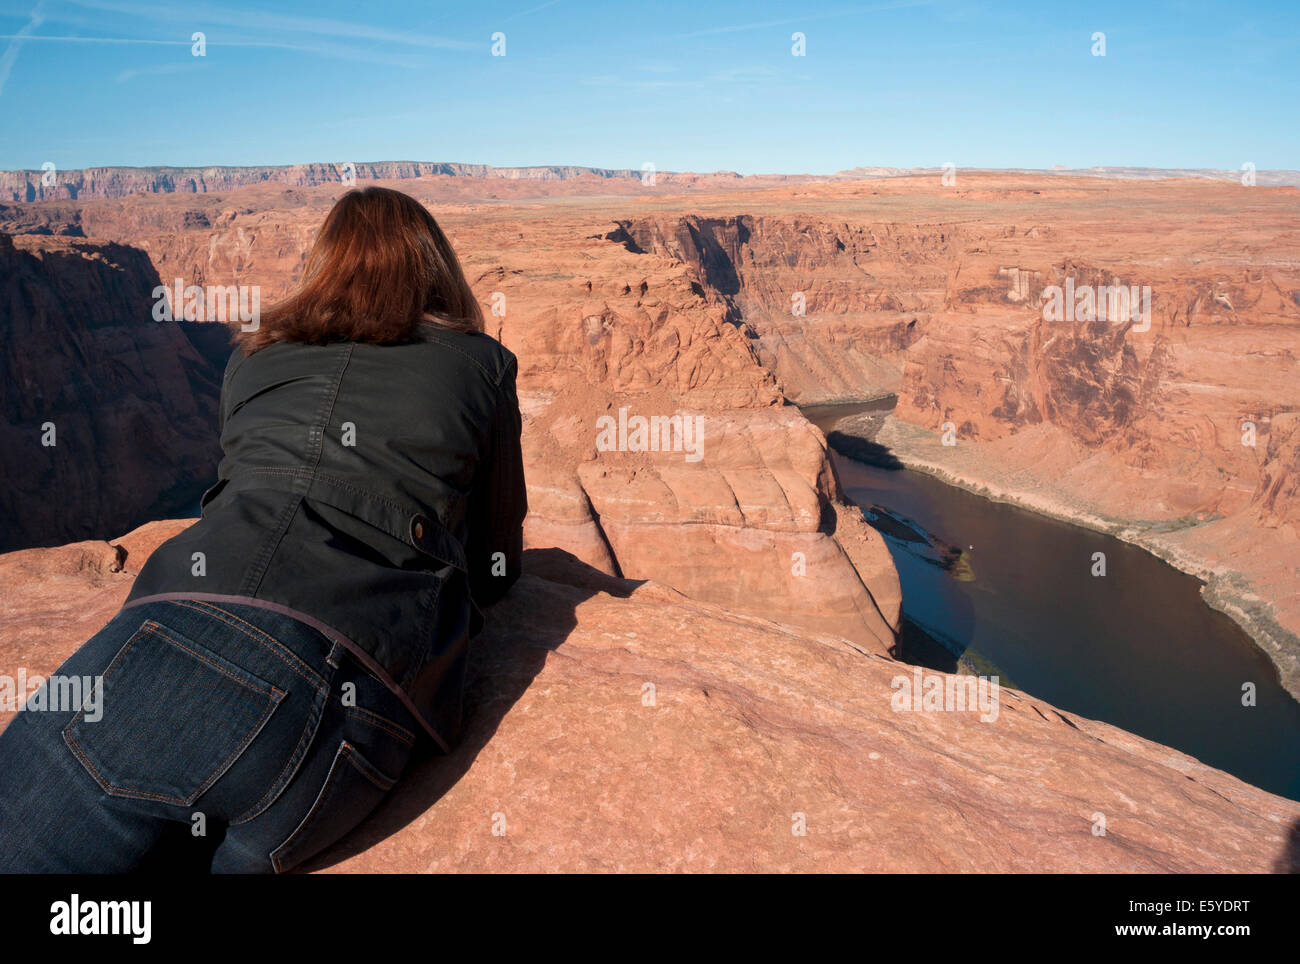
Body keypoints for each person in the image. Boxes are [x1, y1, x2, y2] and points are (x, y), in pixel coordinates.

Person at [0, 186, 527, 873]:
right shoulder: (480, 363)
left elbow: (243, 487)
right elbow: (497, 563)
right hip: (343, 668)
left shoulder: (254, 354)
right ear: (434, 265)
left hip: (160, 632)